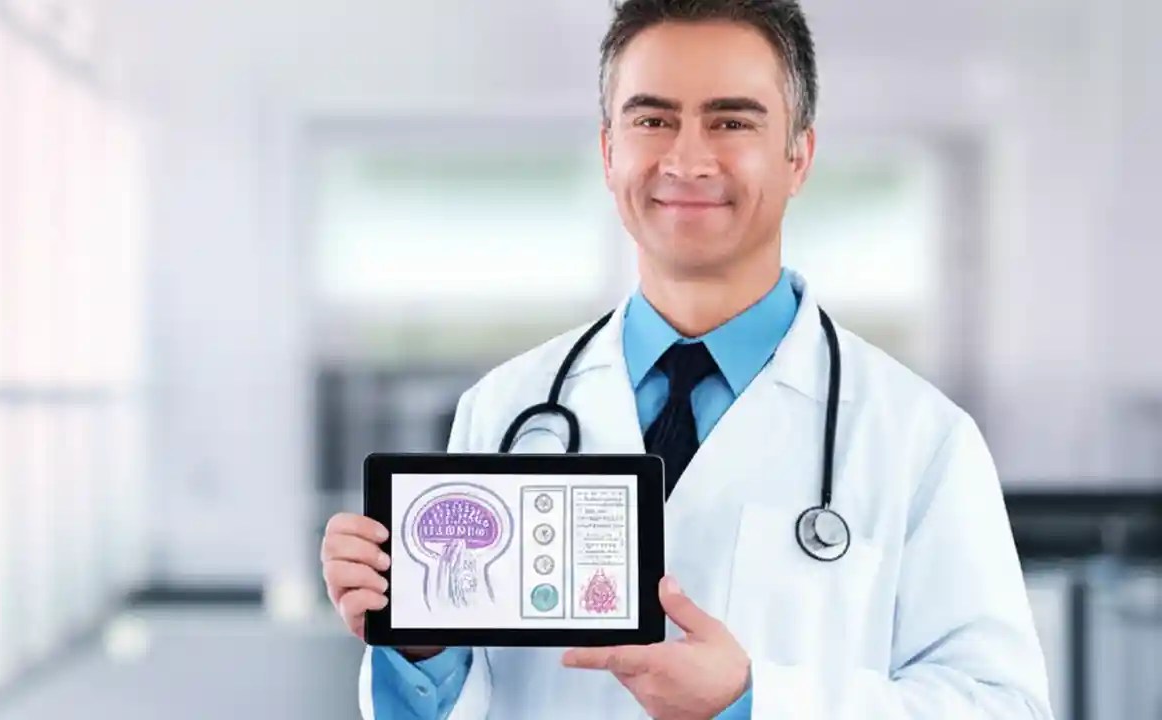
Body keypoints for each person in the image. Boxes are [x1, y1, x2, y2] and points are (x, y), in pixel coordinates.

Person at [320, 0, 1055, 717]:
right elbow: (466, 698)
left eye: (731, 121)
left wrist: (755, 701)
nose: (688, 158)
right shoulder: (506, 407)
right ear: (610, 152)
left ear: (798, 155)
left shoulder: (920, 439)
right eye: (653, 119)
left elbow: (1004, 706)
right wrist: (419, 649)